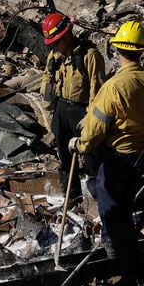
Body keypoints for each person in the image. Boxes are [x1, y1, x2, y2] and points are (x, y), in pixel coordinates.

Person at [70, 20, 144, 286]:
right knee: (124, 203)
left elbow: (95, 131)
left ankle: (117, 257)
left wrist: (79, 145)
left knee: (110, 204)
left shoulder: (114, 87)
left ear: (116, 50)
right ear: (142, 50)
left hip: (120, 157)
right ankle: (131, 255)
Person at [39, 12, 104, 204]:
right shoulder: (54, 56)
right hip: (61, 108)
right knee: (64, 155)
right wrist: (47, 96)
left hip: (82, 110)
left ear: (67, 35)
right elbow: (47, 77)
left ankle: (102, 195)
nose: (54, 46)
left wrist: (90, 118)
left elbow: (98, 91)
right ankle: (72, 196)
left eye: (56, 41)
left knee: (92, 154)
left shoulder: (89, 56)